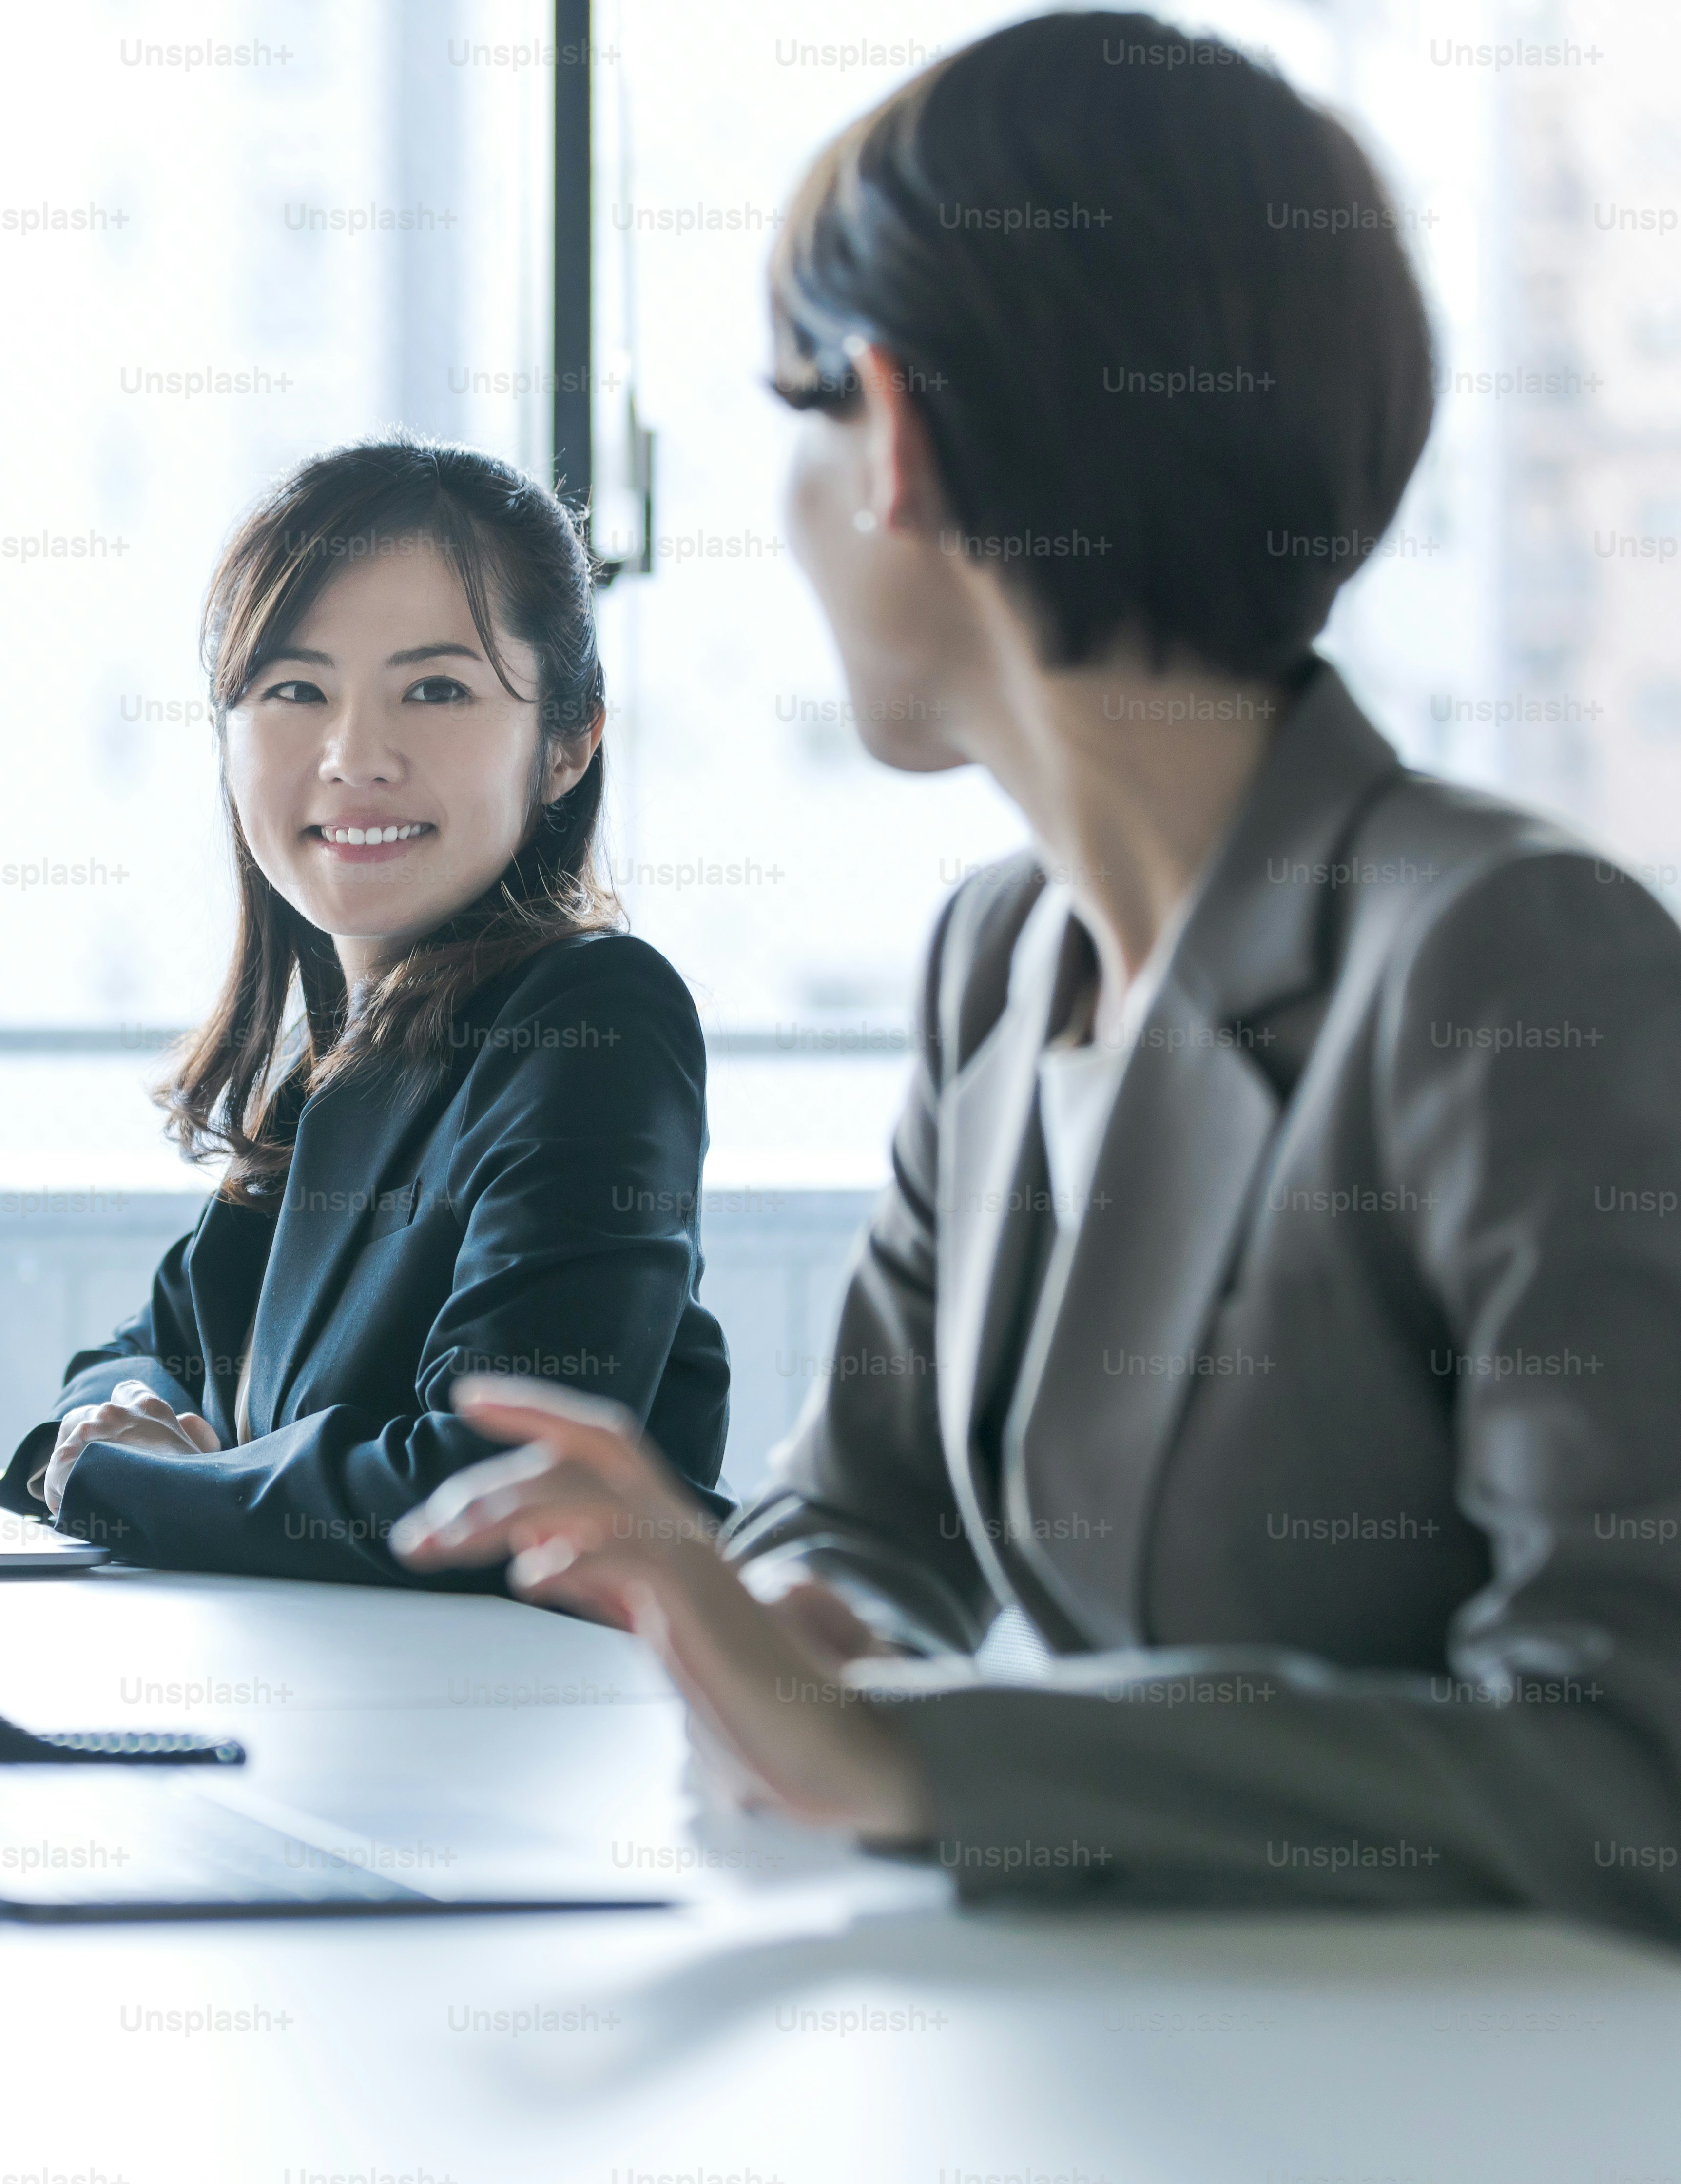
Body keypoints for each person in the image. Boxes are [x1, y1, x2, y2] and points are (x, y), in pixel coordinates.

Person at [396, 9, 1681, 1936]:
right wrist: (787, 1624)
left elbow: (1631, 1764)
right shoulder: (1003, 960)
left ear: (895, 431)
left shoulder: (1506, 958)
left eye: (798, 410)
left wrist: (917, 1755)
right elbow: (874, 1500)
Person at [0, 438, 729, 1584]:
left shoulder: (594, 1020)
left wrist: (135, 1480)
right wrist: (124, 1440)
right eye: (295, 690)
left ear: (570, 741)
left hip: (528, 1741)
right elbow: (140, 1359)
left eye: (436, 688)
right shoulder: (339, 1064)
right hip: (337, 1713)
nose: (354, 755)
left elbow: (499, 1488)